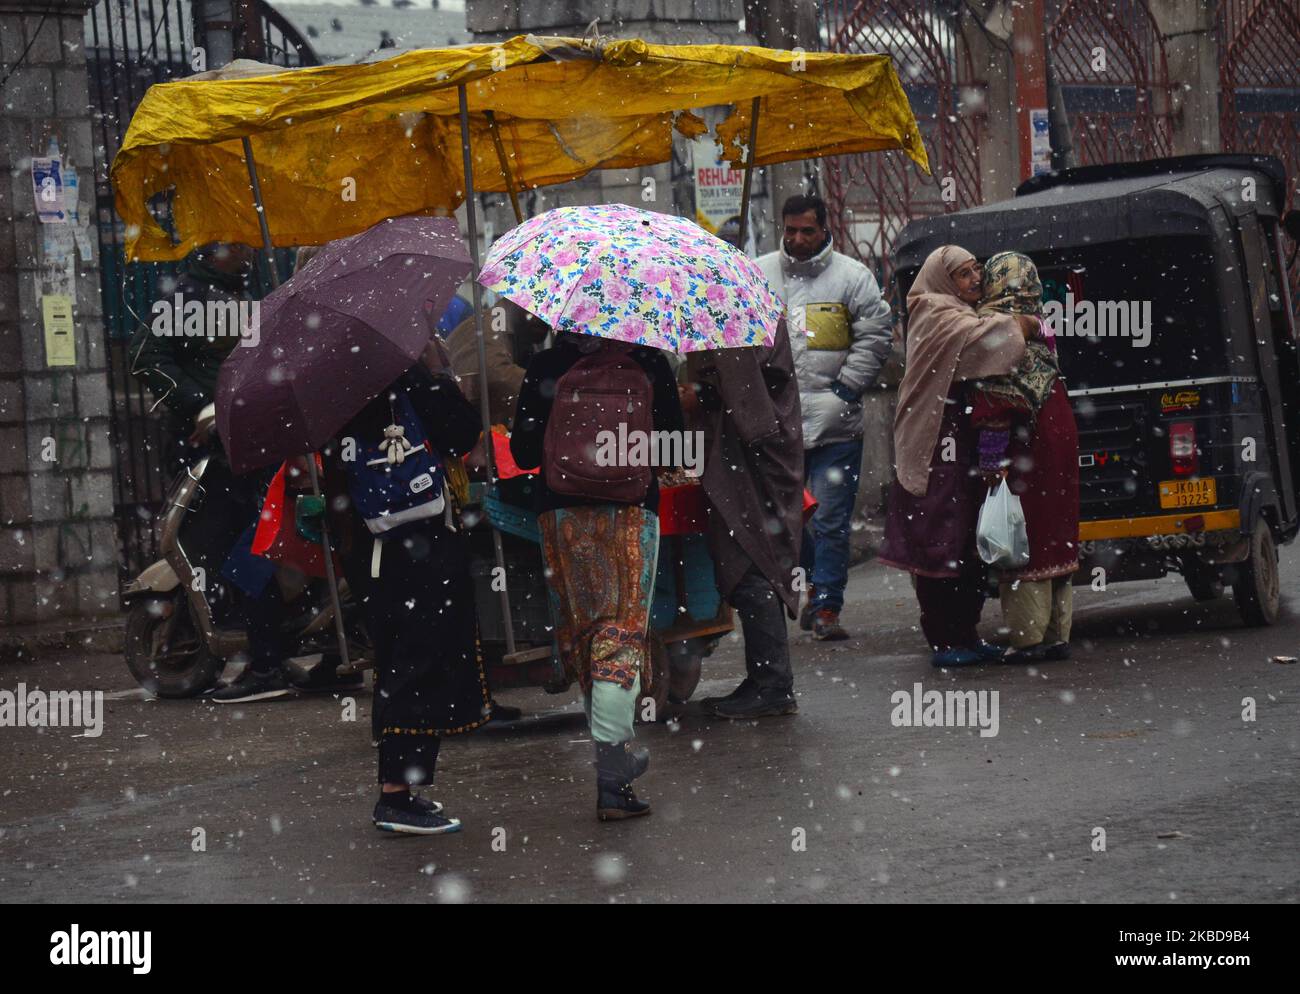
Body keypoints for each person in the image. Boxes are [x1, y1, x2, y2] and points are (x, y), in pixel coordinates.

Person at [510, 331, 684, 821]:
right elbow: (672, 451)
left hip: (561, 515)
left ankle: (612, 764)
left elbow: (524, 453)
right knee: (621, 635)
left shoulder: (548, 364)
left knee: (586, 636)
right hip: (631, 513)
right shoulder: (650, 362)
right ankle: (613, 775)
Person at [319, 360, 490, 835]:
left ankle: (405, 789)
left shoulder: (330, 386)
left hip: (366, 543)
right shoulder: (404, 370)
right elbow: (461, 432)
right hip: (415, 544)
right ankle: (395, 796)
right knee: (416, 660)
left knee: (401, 658)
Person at [878, 246, 1037, 667]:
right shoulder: (934, 312)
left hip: (956, 443)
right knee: (938, 545)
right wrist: (1022, 323)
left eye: (975, 273)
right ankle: (945, 641)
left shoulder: (959, 313)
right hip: (933, 447)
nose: (974, 282)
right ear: (945, 280)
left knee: (966, 541)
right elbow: (990, 343)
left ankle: (965, 632)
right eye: (964, 275)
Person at [757, 194, 893, 641]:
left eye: (806, 231)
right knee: (789, 520)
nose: (797, 239)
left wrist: (846, 389)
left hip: (837, 427)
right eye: (790, 230)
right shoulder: (758, 274)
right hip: (778, 429)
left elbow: (874, 335)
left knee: (832, 520)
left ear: (824, 229)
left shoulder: (853, 278)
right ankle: (813, 583)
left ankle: (827, 606)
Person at [688, 319, 805, 718]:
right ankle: (767, 679)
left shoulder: (729, 318)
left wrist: (702, 392)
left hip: (749, 457)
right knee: (757, 557)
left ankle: (773, 684)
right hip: (752, 453)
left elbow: (749, 414)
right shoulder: (744, 308)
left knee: (752, 560)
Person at [969, 252, 1079, 662]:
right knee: (1057, 532)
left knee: (1022, 541)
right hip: (1059, 441)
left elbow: (995, 408)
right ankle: (1057, 632)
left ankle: (1028, 639)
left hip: (1027, 449)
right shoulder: (1039, 324)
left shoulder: (999, 331)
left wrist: (991, 465)